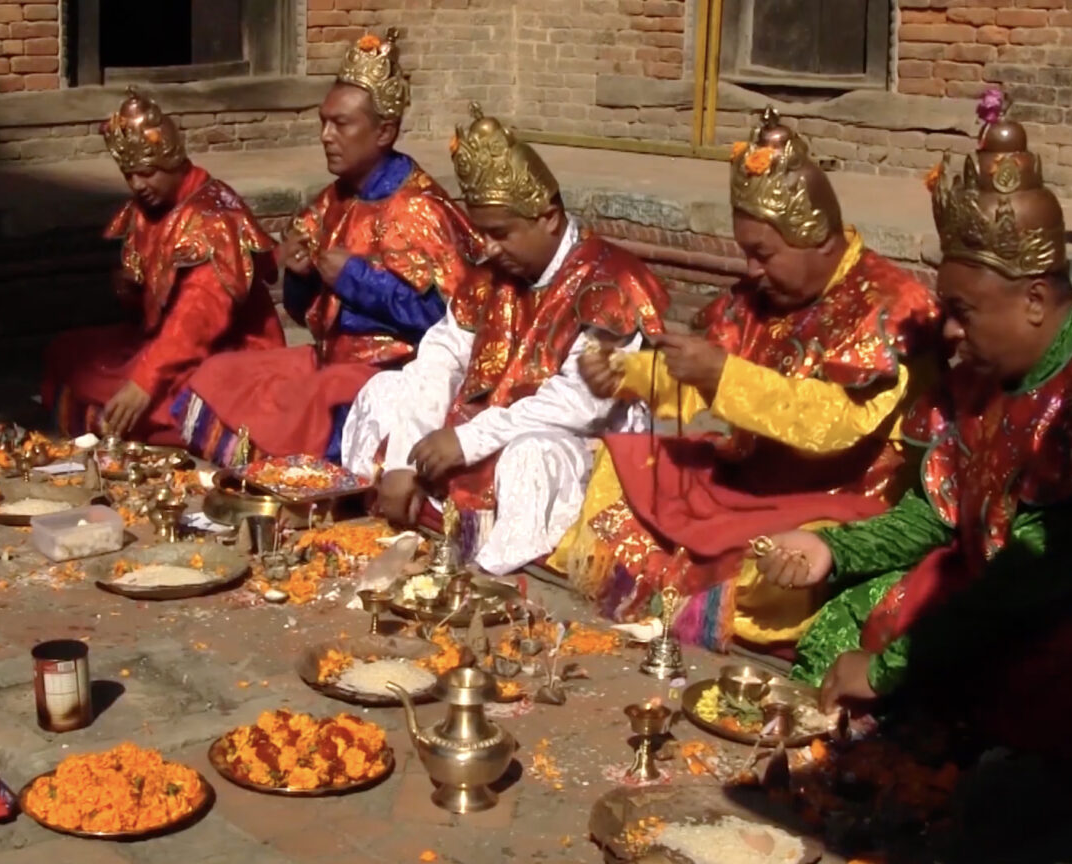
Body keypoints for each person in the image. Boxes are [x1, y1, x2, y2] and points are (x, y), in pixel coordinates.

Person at [759, 112, 1072, 783]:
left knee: (1070, 662)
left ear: (1035, 299)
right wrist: (833, 548)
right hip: (995, 595)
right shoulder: (976, 380)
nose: (948, 331)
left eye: (963, 311)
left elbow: (1034, 573)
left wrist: (888, 671)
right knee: (860, 606)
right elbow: (933, 515)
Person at [554, 108, 943, 655]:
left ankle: (690, 603)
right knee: (621, 466)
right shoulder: (760, 299)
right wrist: (629, 373)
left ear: (817, 238)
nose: (751, 270)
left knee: (776, 569)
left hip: (835, 493)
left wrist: (724, 376)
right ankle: (664, 600)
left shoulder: (890, 306)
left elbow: (832, 425)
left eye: (763, 253)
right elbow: (704, 396)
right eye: (746, 252)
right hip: (748, 475)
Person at [340, 105, 669, 574]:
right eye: (483, 233)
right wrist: (401, 463)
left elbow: (578, 405)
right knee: (384, 391)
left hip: (579, 443)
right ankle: (400, 512)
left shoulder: (612, 283)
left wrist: (467, 441)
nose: (488, 248)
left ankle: (484, 573)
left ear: (549, 218)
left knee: (532, 455)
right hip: (483, 423)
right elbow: (442, 352)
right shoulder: (492, 272)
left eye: (501, 233)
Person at [173, 30, 478, 465]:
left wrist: (357, 279)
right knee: (217, 375)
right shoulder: (329, 203)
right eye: (323, 122)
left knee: (318, 411)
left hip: (392, 373)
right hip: (328, 359)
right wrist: (300, 278)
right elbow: (307, 314)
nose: (325, 136)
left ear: (384, 131)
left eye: (341, 124)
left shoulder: (420, 209)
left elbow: (452, 320)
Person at [41, 89, 286, 443]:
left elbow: (197, 317)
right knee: (67, 353)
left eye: (146, 172)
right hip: (163, 347)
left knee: (191, 397)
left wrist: (143, 380)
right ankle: (120, 417)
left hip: (227, 354)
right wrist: (130, 290)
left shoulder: (212, 217)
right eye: (129, 175)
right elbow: (151, 316)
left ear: (171, 161)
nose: (138, 185)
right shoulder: (148, 210)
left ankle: (128, 421)